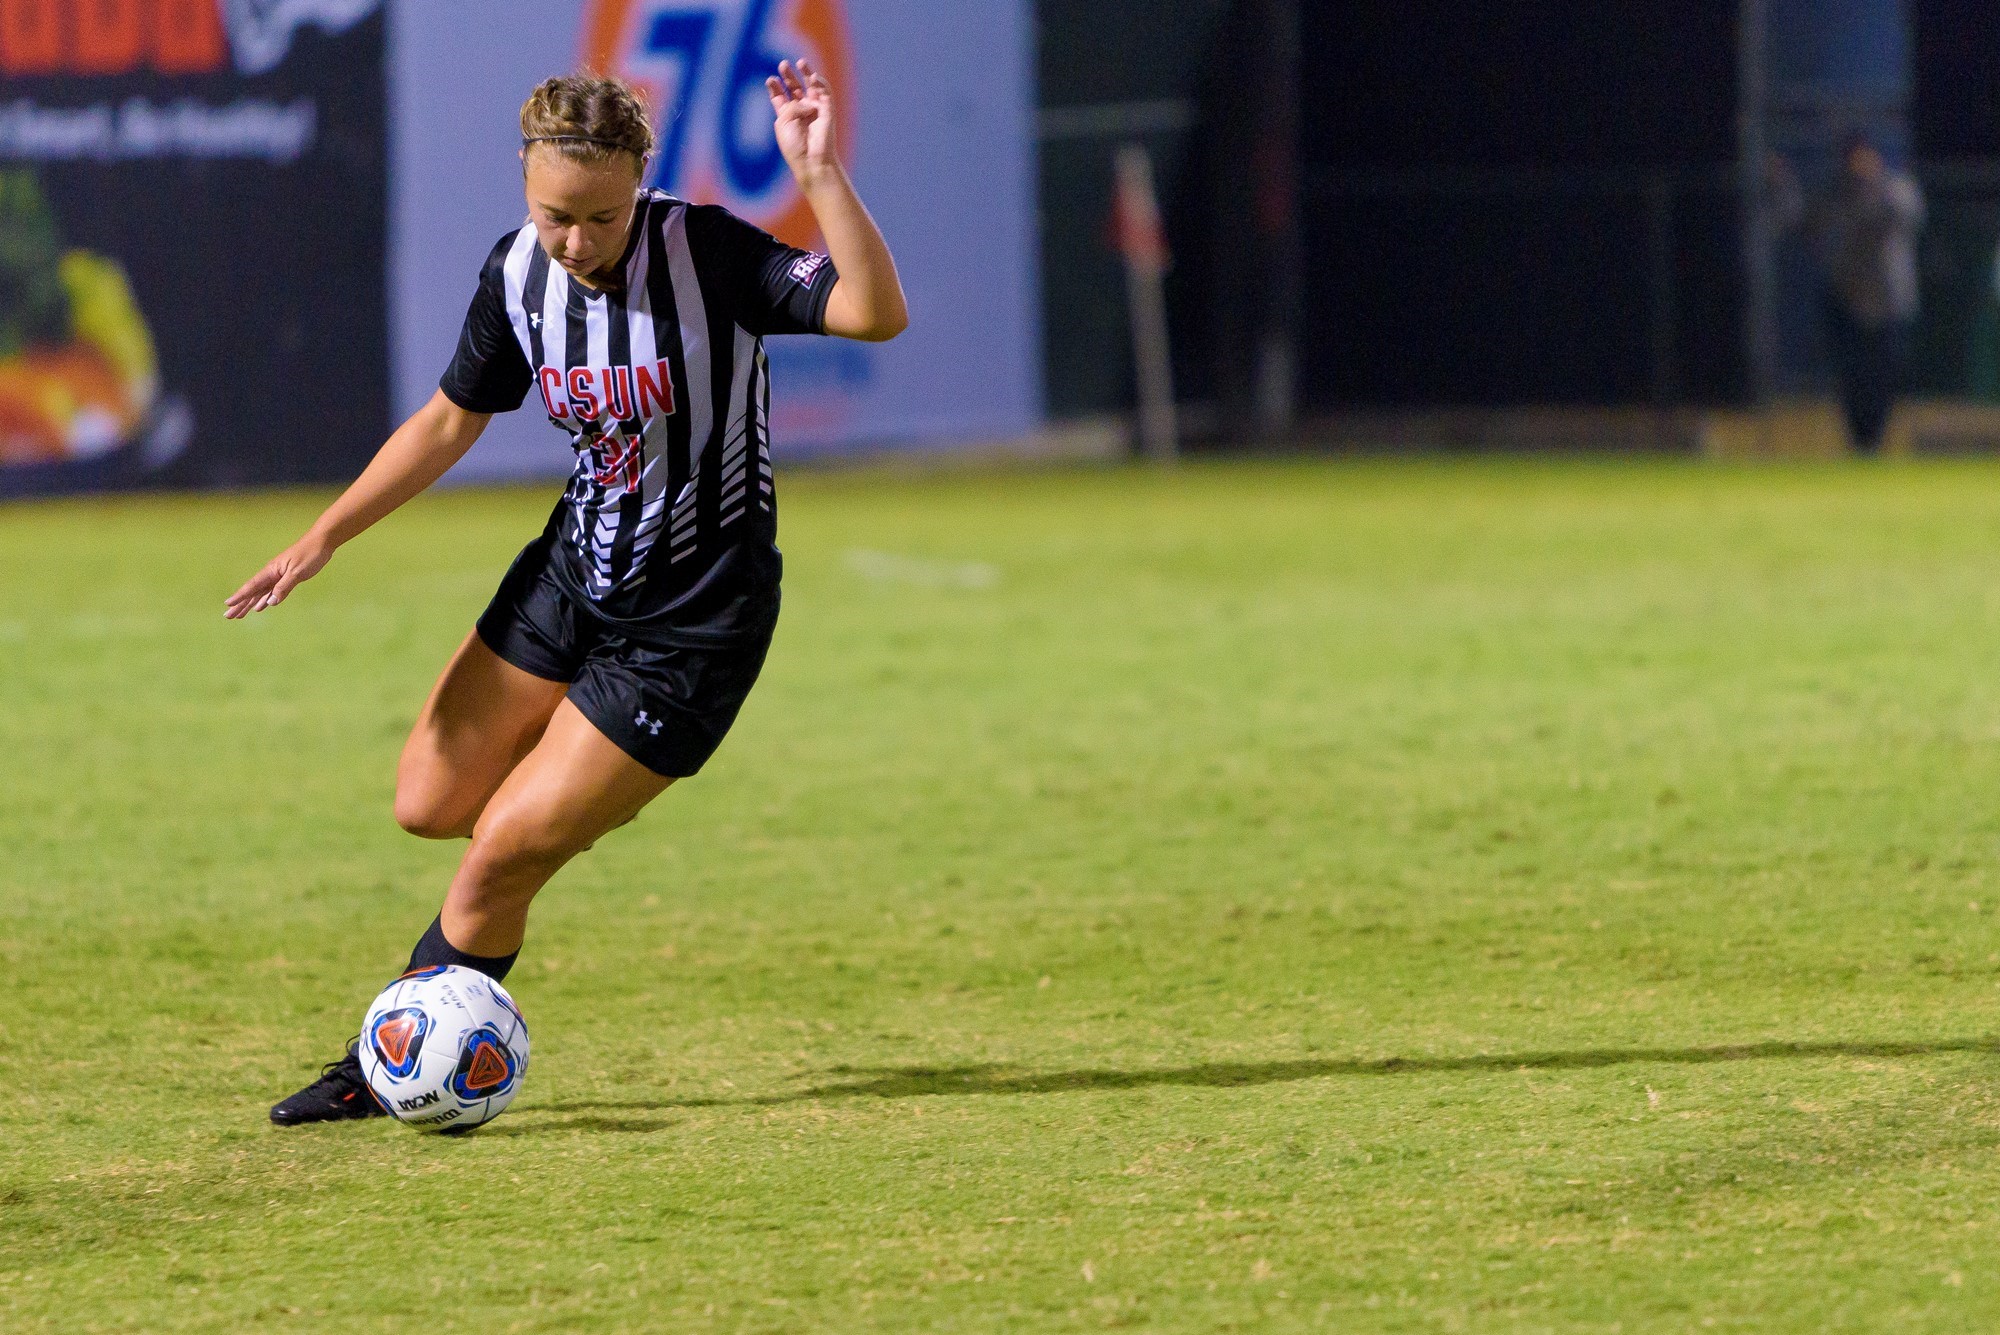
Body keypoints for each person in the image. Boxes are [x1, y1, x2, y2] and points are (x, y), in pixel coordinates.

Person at [229, 63, 907, 1125]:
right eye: (556, 216)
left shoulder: (709, 254)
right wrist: (324, 537)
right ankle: (544, 832)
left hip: (692, 623)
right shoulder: (516, 272)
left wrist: (818, 175)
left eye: (602, 217)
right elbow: (449, 419)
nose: (578, 243)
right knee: (428, 805)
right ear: (523, 182)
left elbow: (873, 312)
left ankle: (383, 1065)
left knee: (500, 853)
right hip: (569, 578)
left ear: (640, 181)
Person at [1772, 134, 1926, 454]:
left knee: (1884, 375)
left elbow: (1901, 216)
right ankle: (1860, 442)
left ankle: (1875, 439)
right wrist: (1783, 183)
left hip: (1889, 302)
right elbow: (1804, 224)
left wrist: (1870, 187)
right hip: (1847, 299)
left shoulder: (1895, 188)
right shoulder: (1837, 193)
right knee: (1851, 376)